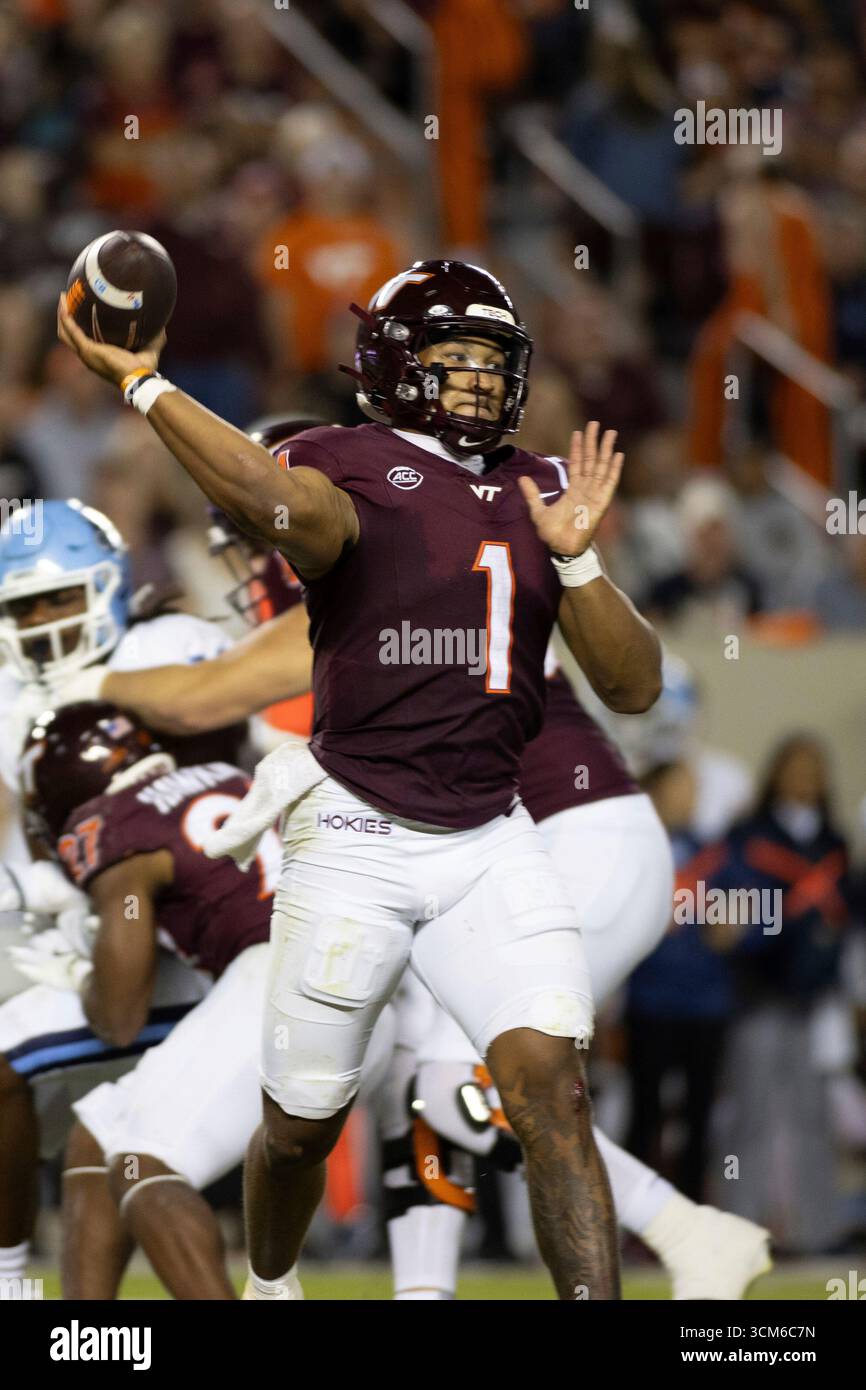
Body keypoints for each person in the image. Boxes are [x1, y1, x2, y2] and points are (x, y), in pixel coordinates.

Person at [57, 257, 665, 1301]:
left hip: (492, 837)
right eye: (456, 357)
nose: (480, 378)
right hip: (356, 835)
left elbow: (634, 684)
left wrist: (577, 561)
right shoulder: (345, 460)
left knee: (553, 1096)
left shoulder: (539, 487)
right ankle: (272, 1282)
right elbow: (276, 505)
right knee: (299, 1129)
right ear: (394, 364)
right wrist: (146, 384)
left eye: (493, 360)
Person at [16, 701, 392, 1299]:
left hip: (277, 981)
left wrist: (81, 969)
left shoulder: (112, 826)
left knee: (144, 1163)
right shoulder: (221, 775)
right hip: (366, 994)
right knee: (100, 1134)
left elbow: (118, 1017)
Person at [0, 499, 256, 1296]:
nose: (41, 623)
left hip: (205, 944)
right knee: (101, 1139)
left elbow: (200, 760)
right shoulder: (11, 692)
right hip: (132, 925)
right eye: (23, 607)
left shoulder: (169, 648)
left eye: (58, 598)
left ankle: (7, 1279)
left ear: (107, 587)